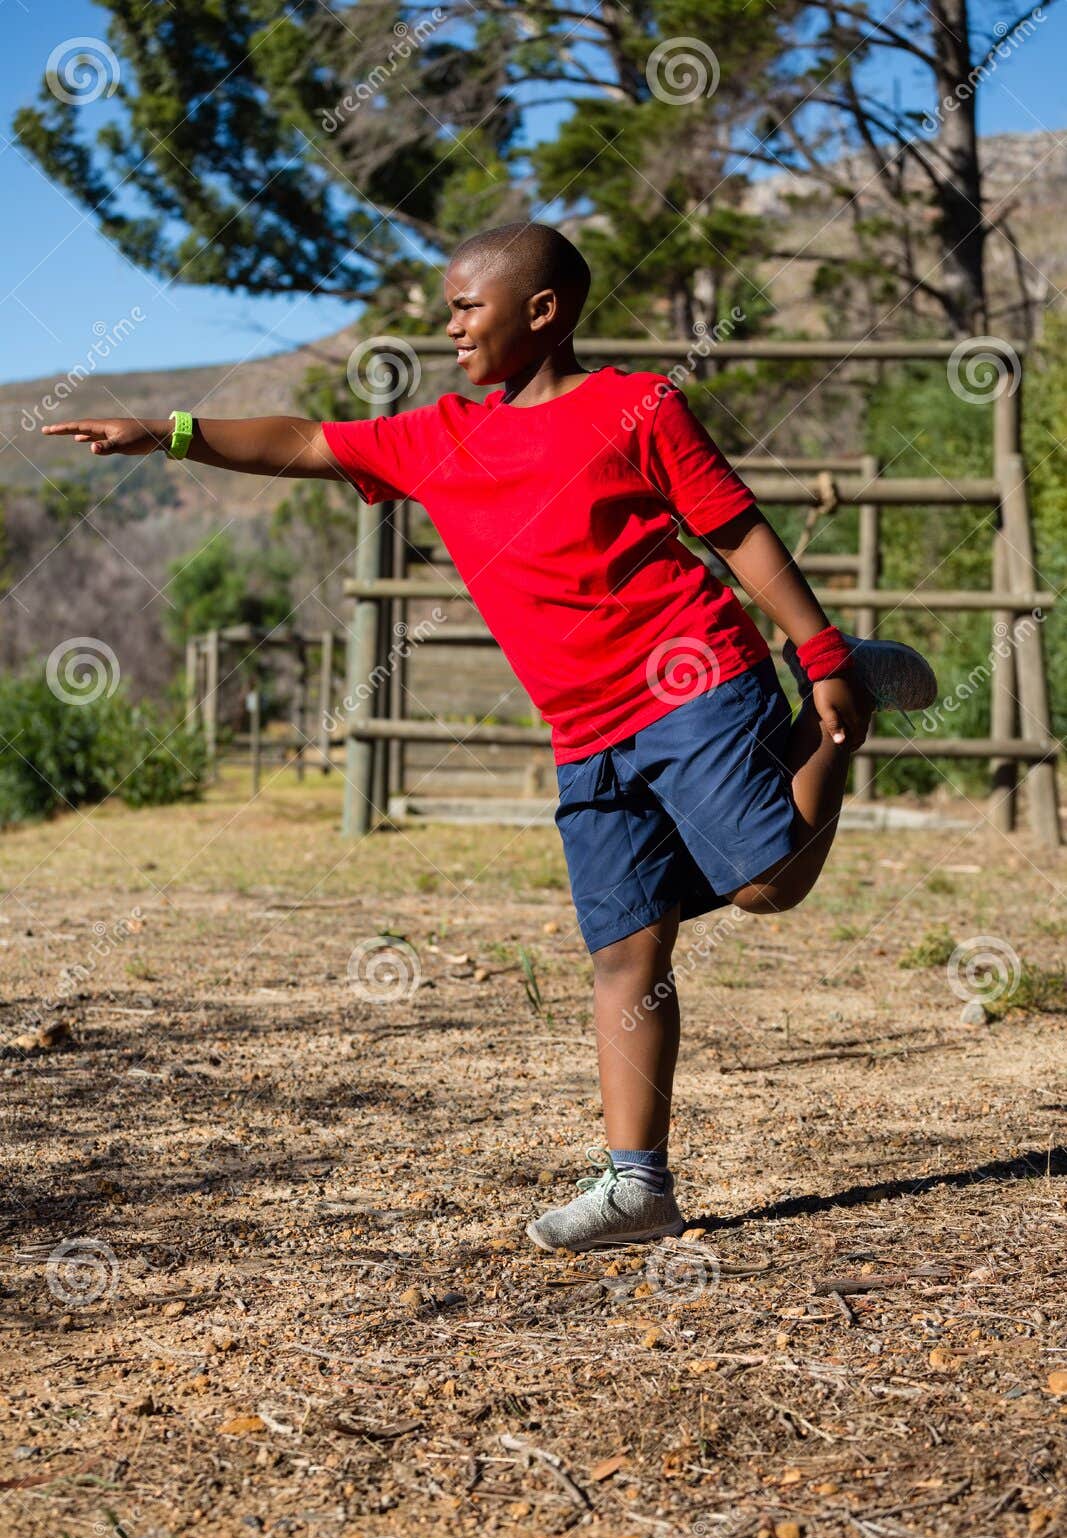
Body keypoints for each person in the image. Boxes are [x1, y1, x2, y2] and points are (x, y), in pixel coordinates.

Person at [42, 220, 937, 1253]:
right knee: (625, 952)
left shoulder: (632, 406)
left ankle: (847, 708)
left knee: (766, 883)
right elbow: (304, 442)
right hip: (583, 731)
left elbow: (734, 531)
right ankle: (636, 1184)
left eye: (467, 304)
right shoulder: (441, 434)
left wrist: (818, 649)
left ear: (542, 311)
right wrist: (169, 429)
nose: (449, 322)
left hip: (688, 676)